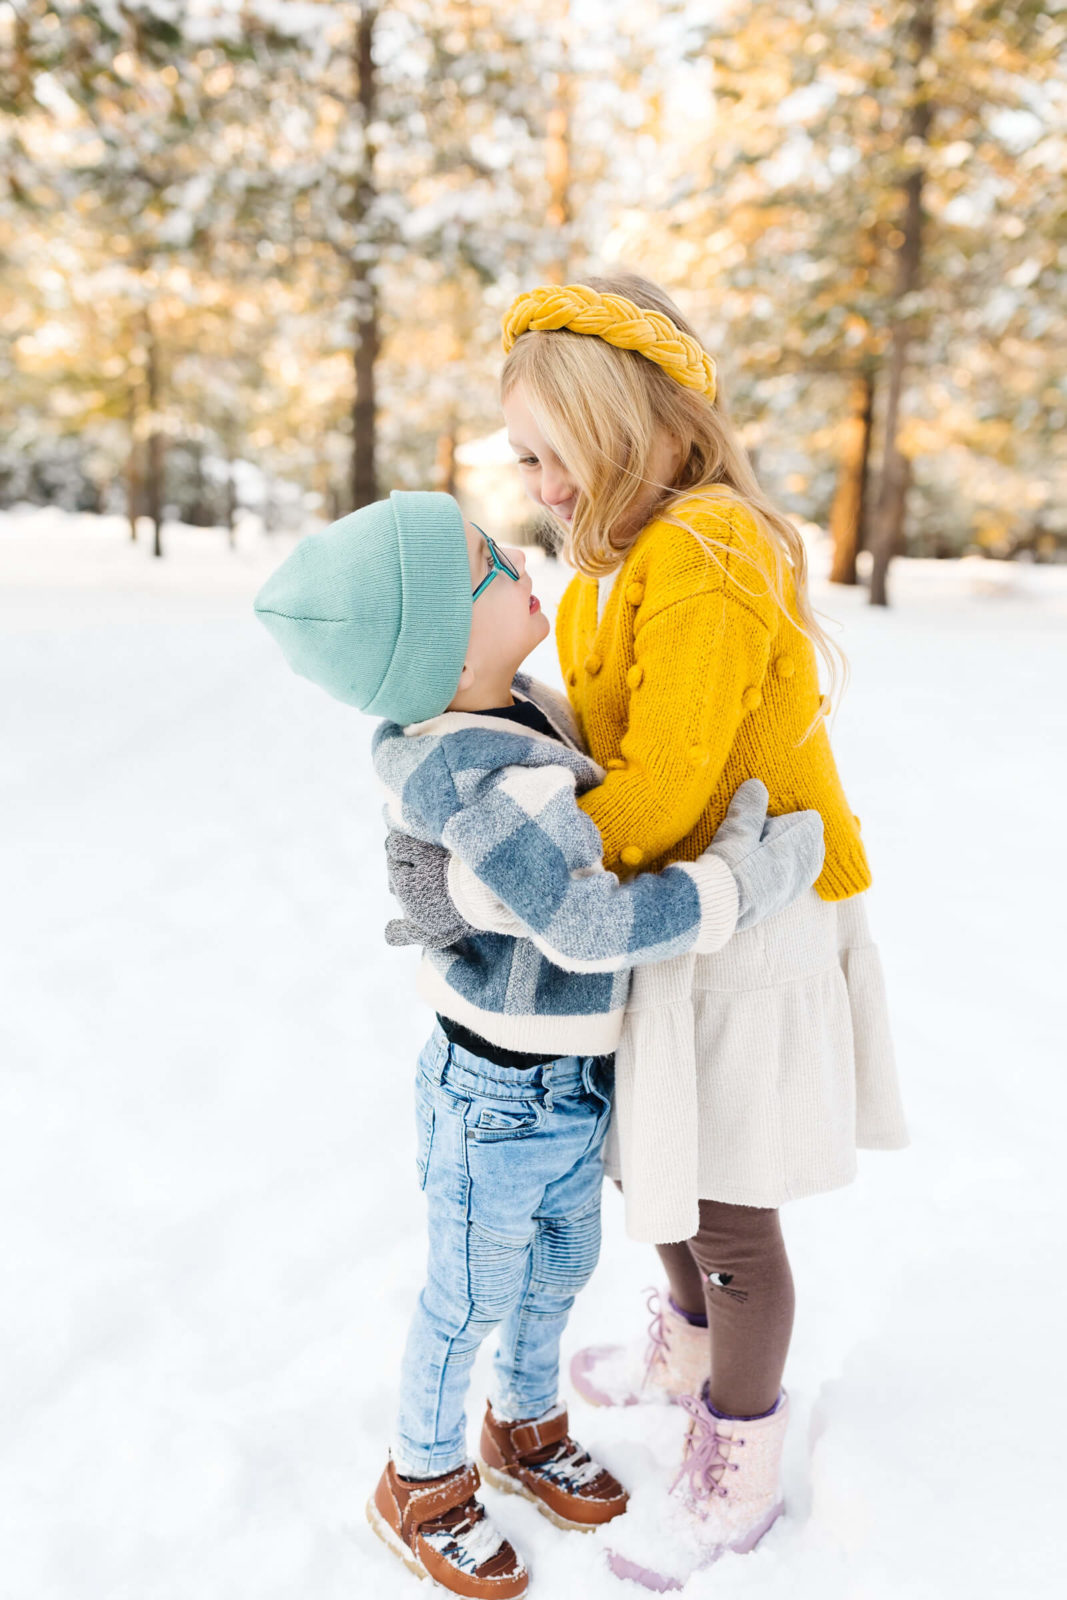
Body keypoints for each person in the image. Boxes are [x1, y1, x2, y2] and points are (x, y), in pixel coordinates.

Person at [389, 275, 909, 1588]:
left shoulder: (708, 548)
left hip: (750, 915)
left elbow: (665, 787)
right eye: (524, 459)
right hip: (672, 912)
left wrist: (509, 875)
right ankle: (685, 1350)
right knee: (657, 1159)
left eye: (554, 452)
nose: (540, 486)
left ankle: (738, 1446)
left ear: (637, 425)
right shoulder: (618, 560)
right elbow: (596, 746)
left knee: (726, 1214)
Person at [253, 490, 824, 1600]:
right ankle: (419, 1481)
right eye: (485, 563)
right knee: (467, 1297)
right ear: (445, 649)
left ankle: (522, 1426)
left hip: (561, 1083)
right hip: (496, 1098)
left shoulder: (515, 712)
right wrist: (734, 886)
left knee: (556, 1272)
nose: (517, 553)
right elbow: (583, 922)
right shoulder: (478, 776)